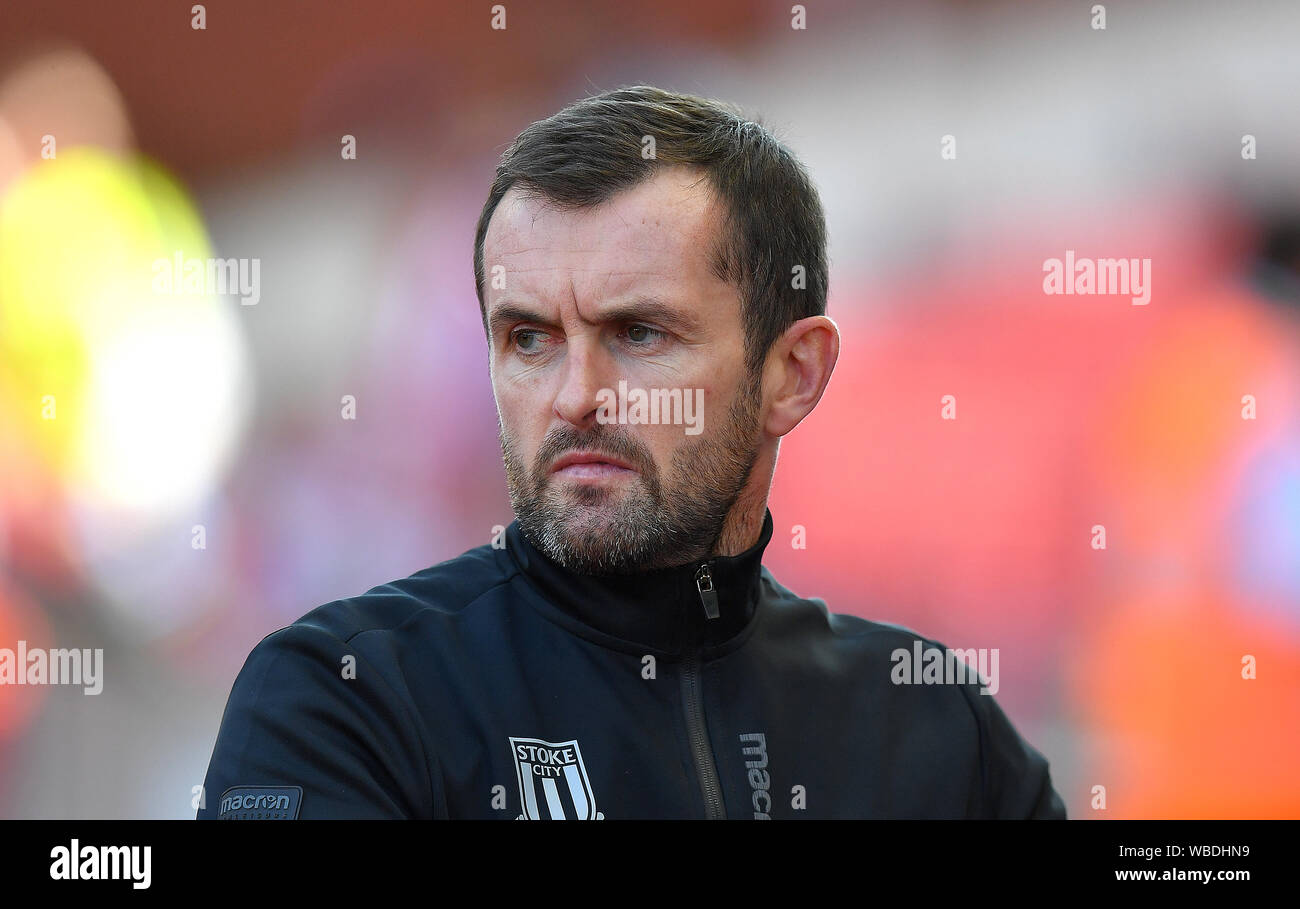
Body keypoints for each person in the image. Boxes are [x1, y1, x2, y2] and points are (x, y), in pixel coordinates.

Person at [197, 85, 1066, 820]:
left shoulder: (932, 728)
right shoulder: (346, 697)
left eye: (639, 332)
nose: (575, 395)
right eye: (530, 339)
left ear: (793, 373)